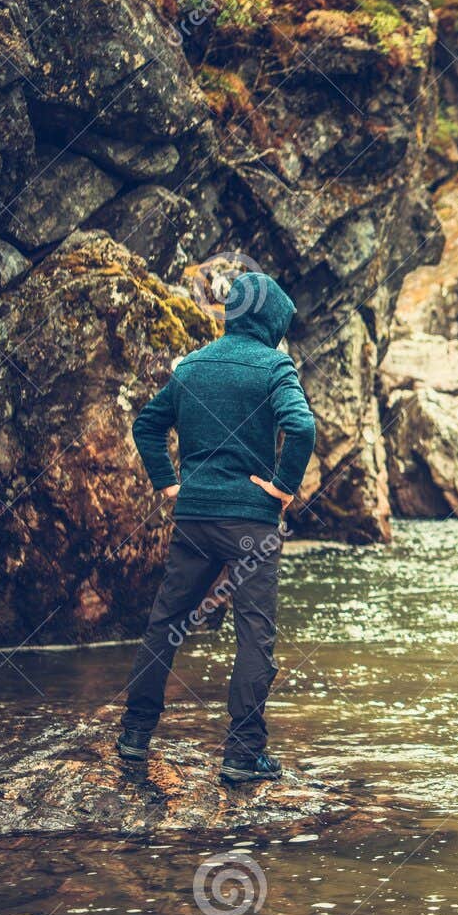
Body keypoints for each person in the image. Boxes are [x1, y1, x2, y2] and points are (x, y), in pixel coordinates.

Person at [117, 271, 316, 783]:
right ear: (269, 318)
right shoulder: (275, 366)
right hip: (250, 521)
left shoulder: (193, 366)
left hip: (194, 518)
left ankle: (135, 737)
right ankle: (242, 754)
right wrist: (282, 488)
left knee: (165, 623)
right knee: (254, 634)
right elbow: (301, 426)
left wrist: (168, 484)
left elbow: (147, 424)